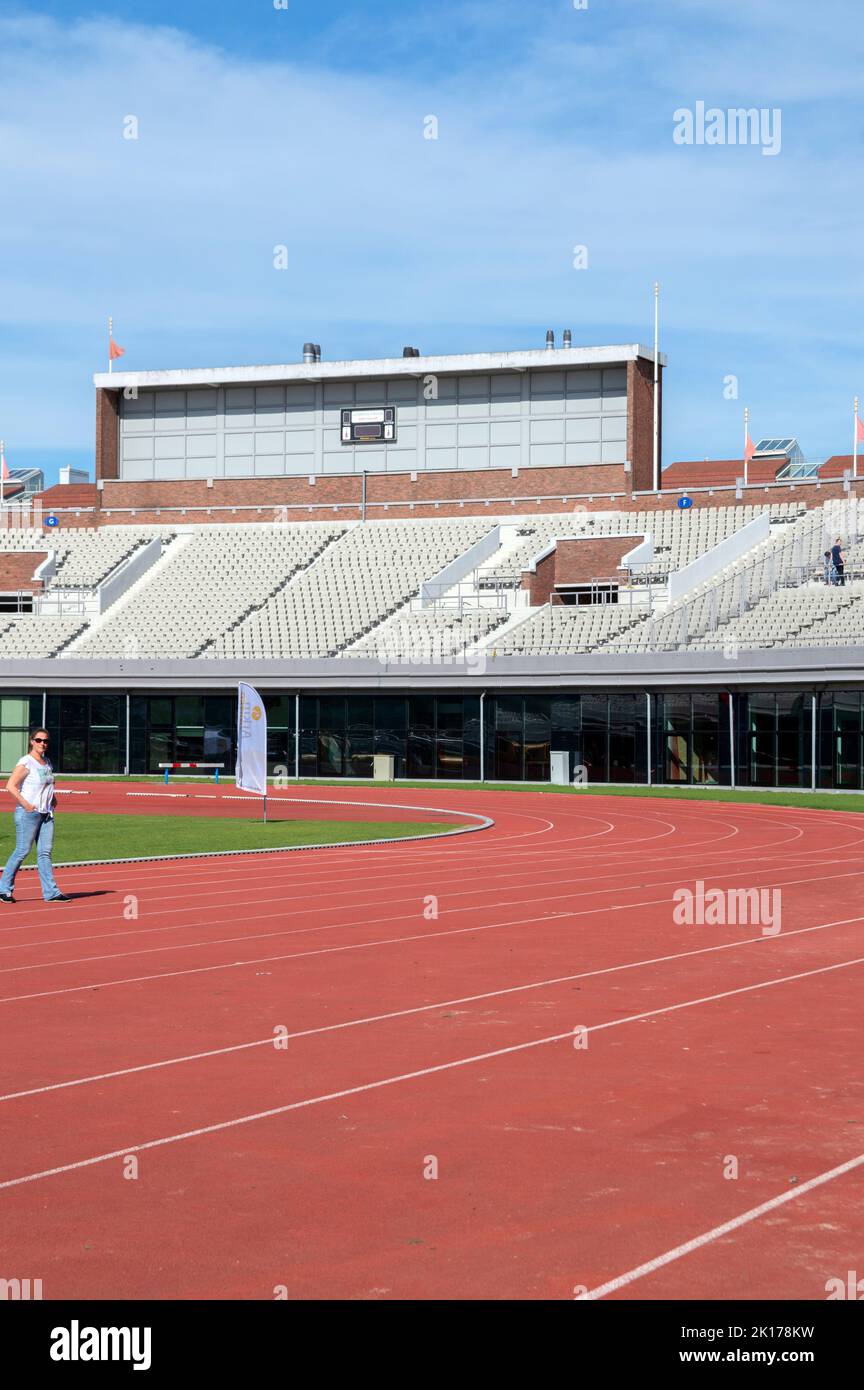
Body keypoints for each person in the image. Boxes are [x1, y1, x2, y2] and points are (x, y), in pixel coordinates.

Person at [0, 729, 69, 904]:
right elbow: (10, 785)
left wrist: (53, 798)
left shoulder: (47, 762)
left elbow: (48, 783)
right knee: (22, 850)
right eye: (38, 740)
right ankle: (3, 889)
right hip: (29, 814)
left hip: (47, 814)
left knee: (45, 853)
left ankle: (51, 893)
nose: (42, 743)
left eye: (45, 741)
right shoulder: (26, 762)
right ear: (32, 741)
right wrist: (26, 805)